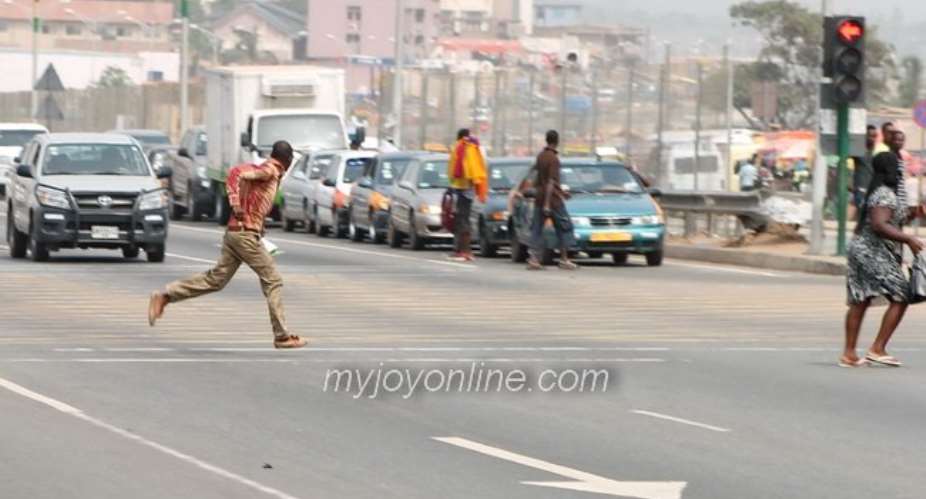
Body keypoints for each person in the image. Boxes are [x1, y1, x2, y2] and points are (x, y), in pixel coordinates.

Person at [147, 141, 306, 349]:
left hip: (236, 234)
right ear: (288, 160)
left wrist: (257, 225)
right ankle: (282, 336)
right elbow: (234, 174)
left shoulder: (269, 173)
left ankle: (166, 296)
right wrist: (235, 203)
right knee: (273, 280)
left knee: (216, 280)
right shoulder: (270, 170)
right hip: (244, 236)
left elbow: (253, 199)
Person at [843, 130, 924, 368]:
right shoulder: (885, 194)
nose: (900, 173)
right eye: (898, 169)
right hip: (873, 252)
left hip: (862, 249)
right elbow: (880, 225)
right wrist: (908, 239)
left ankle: (849, 354)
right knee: (901, 295)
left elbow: (888, 221)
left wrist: (912, 214)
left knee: (860, 299)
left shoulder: (879, 192)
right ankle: (877, 349)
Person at [526, 130, 578, 271]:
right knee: (565, 227)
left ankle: (533, 259)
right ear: (557, 141)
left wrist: (561, 192)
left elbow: (540, 179)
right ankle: (564, 259)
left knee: (536, 229)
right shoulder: (554, 159)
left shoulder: (541, 156)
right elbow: (550, 181)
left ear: (546, 140)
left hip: (540, 198)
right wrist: (548, 204)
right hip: (552, 201)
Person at [447, 128, 488, 262]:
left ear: (459, 137)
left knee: (463, 220)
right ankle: (460, 250)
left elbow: (460, 168)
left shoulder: (463, 147)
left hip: (463, 188)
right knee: (461, 219)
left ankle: (465, 251)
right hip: (467, 187)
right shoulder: (473, 147)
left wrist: (466, 182)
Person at [852, 125, 878, 212]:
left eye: (874, 136)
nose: (872, 138)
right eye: (870, 136)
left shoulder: (877, 151)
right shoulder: (857, 150)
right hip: (860, 189)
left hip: (873, 190)